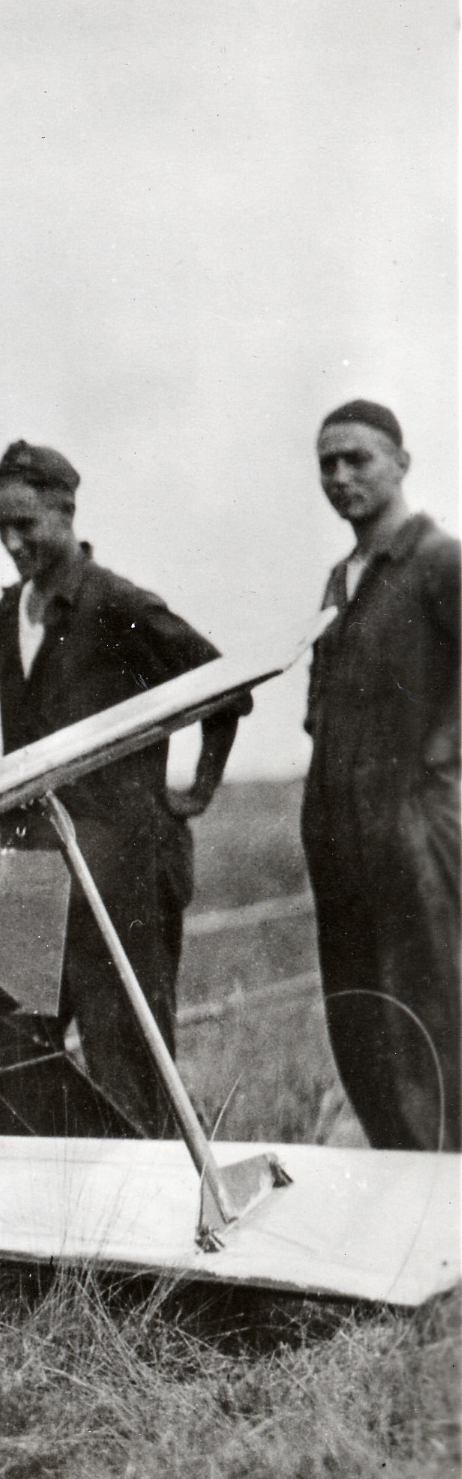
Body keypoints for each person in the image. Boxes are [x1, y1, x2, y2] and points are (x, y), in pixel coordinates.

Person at [0, 440, 244, 1139]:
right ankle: (50, 1229)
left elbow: (224, 687)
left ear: (66, 511)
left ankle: (141, 1224)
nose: (10, 541)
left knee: (127, 1062)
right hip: (22, 868)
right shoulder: (8, 616)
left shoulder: (116, 604)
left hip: (114, 872)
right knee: (16, 1059)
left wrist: (195, 792)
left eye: (26, 524)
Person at [299, 400, 458, 1151]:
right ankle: (402, 1212)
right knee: (357, 1023)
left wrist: (437, 766)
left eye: (356, 458)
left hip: (414, 831)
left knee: (427, 1022)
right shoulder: (340, 578)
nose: (339, 476)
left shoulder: (437, 561)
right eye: (326, 462)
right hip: (338, 832)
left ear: (400, 462)